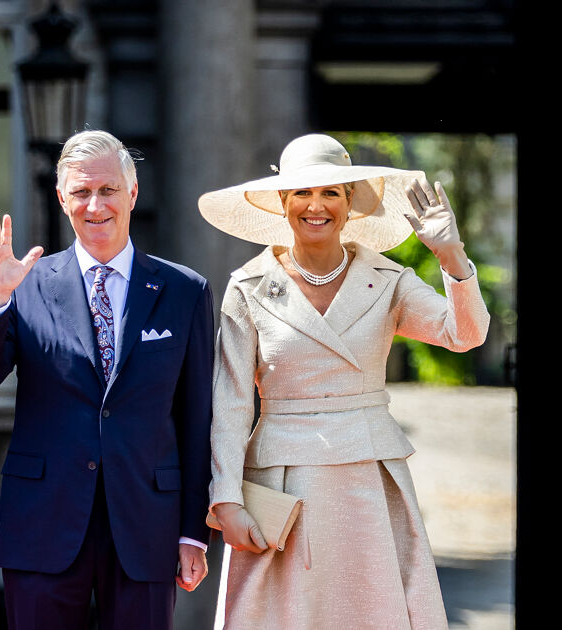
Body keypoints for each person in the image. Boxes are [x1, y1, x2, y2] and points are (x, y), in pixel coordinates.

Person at [198, 133, 490, 629]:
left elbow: (464, 334)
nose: (317, 206)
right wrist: (225, 499)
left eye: (331, 192)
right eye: (302, 194)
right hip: (282, 484)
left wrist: (451, 257)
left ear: (351, 203)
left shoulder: (389, 279)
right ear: (282, 202)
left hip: (367, 481)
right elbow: (230, 401)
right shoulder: (247, 286)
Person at [0, 130, 214, 629]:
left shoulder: (184, 291)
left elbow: (197, 415)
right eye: (80, 192)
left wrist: (192, 531)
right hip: (42, 520)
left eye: (108, 190)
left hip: (146, 524)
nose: (95, 205)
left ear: (132, 193)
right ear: (61, 199)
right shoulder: (24, 283)